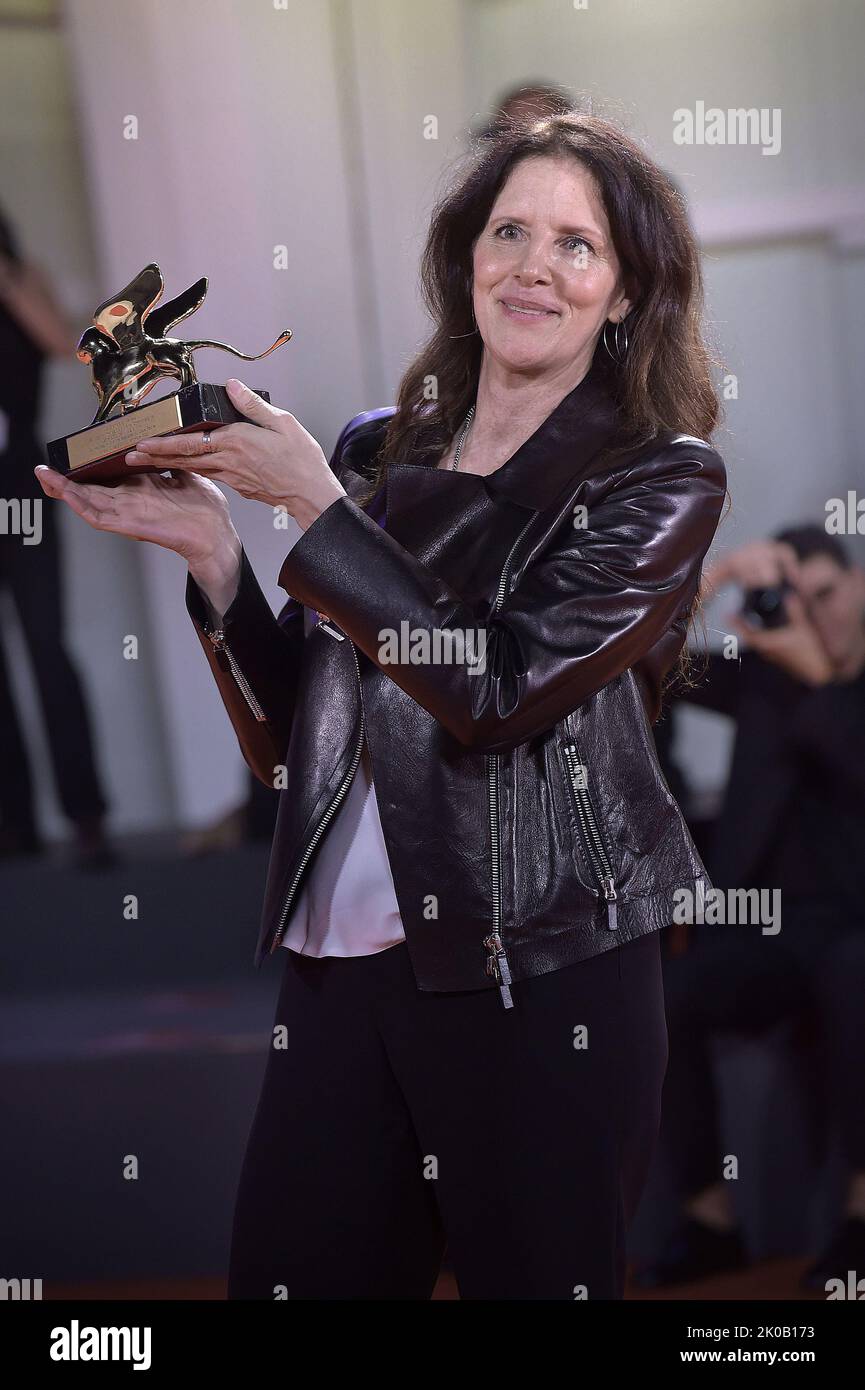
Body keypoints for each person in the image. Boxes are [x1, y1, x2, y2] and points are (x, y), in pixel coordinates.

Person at [36, 111, 727, 1300]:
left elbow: (498, 690)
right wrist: (216, 564)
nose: (532, 267)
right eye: (509, 230)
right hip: (338, 972)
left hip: (540, 968)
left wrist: (319, 512)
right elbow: (293, 745)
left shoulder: (655, 476)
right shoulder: (373, 450)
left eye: (577, 245)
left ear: (623, 294)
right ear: (468, 257)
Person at [636, 526, 865, 1291]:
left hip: (856, 932)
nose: (813, 615)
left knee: (854, 972)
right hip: (764, 929)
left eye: (826, 595)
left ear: (859, 587)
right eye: (793, 597)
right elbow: (643, 658)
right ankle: (711, 1217)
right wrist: (721, 574)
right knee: (667, 996)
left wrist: (823, 688)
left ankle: (861, 1218)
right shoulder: (761, 678)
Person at [0, 206, 114, 867]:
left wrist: (8, 280)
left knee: (47, 644)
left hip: (18, 489)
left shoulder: (20, 277)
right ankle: (13, 824)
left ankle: (86, 816)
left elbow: (59, 343)